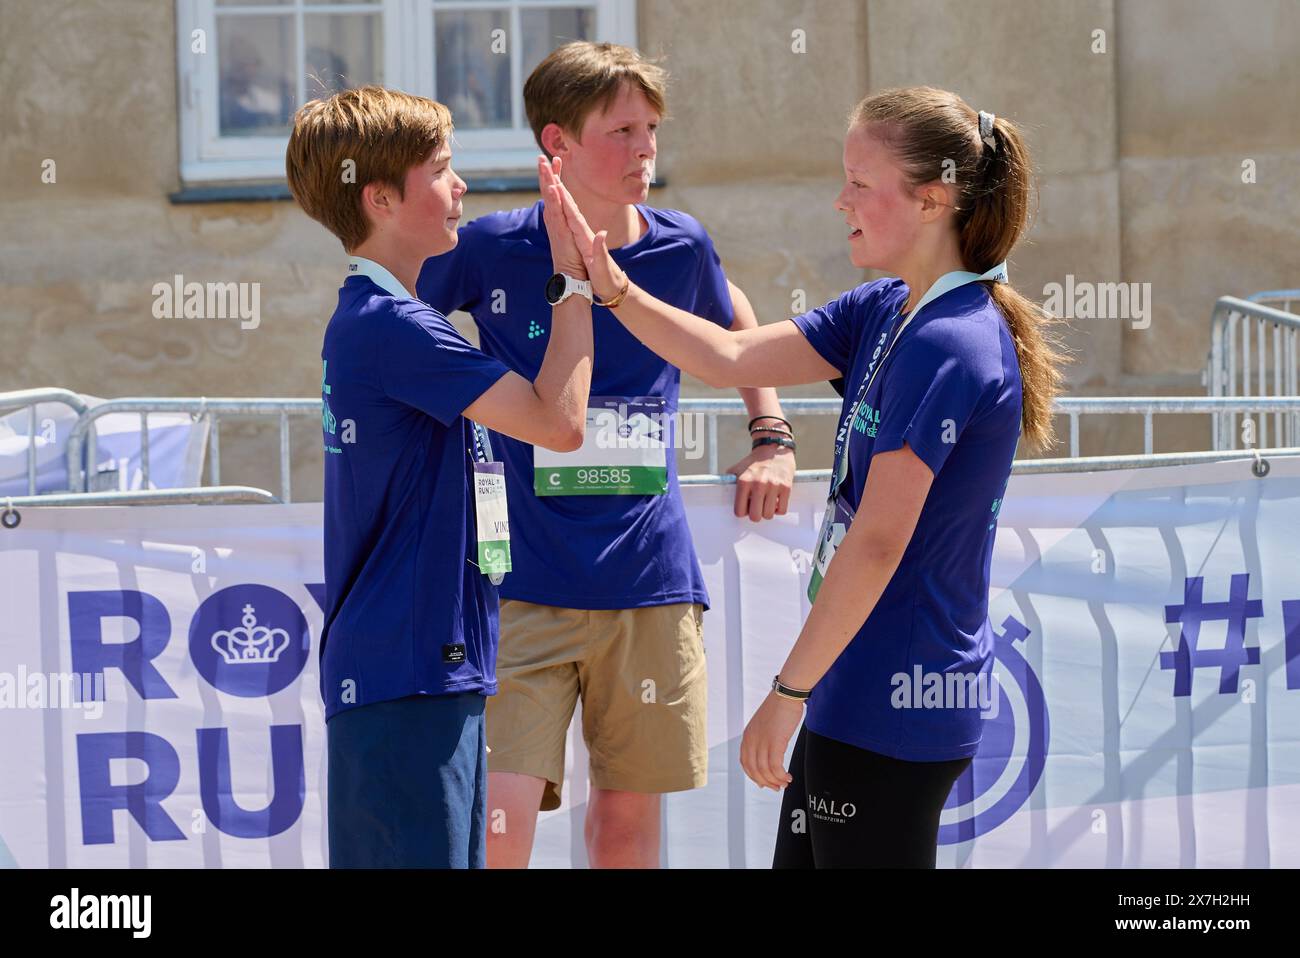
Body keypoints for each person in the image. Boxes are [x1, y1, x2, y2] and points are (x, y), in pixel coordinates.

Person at [544, 85, 1066, 867]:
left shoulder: (952, 342)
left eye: (860, 183)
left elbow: (881, 542)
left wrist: (785, 696)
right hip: (851, 687)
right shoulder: (888, 307)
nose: (839, 200)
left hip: (898, 698)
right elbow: (729, 357)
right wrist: (608, 282)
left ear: (931, 201)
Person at [417, 42, 796, 869]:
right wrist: (479, 407)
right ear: (558, 143)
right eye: (621, 130)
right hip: (517, 584)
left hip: (646, 584)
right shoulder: (488, 247)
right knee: (500, 826)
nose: (645, 148)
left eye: (651, 127)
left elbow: (735, 318)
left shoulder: (679, 244)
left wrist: (771, 435)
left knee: (626, 834)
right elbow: (406, 338)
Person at [285, 85, 595, 867]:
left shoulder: (386, 319)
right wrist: (576, 277)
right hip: (411, 673)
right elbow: (560, 422)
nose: (462, 187)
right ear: (383, 198)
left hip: (417, 669)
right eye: (443, 169)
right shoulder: (394, 328)